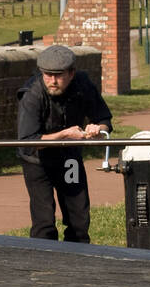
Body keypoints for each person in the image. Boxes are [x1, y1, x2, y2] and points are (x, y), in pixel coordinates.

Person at [17, 44, 113, 243]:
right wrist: (64, 135)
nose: (52, 81)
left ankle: (77, 262)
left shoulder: (83, 85)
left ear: (71, 73)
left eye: (58, 75)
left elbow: (105, 120)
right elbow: (28, 141)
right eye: (47, 74)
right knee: (44, 223)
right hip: (37, 161)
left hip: (69, 159)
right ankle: (43, 264)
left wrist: (97, 129)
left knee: (78, 219)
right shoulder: (32, 95)